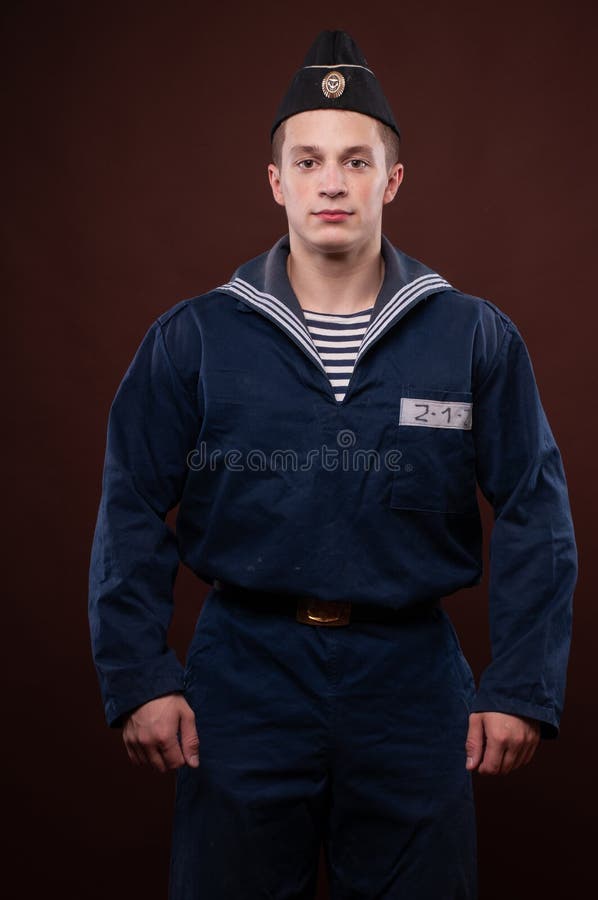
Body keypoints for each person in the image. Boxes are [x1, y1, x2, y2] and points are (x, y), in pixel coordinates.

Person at [88, 29, 577, 900]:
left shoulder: (472, 336)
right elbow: (129, 506)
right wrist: (136, 678)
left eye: (356, 161)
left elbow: (537, 509)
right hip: (243, 676)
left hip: (411, 681)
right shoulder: (196, 337)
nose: (332, 182)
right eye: (309, 161)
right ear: (277, 182)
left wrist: (522, 687)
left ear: (391, 180)